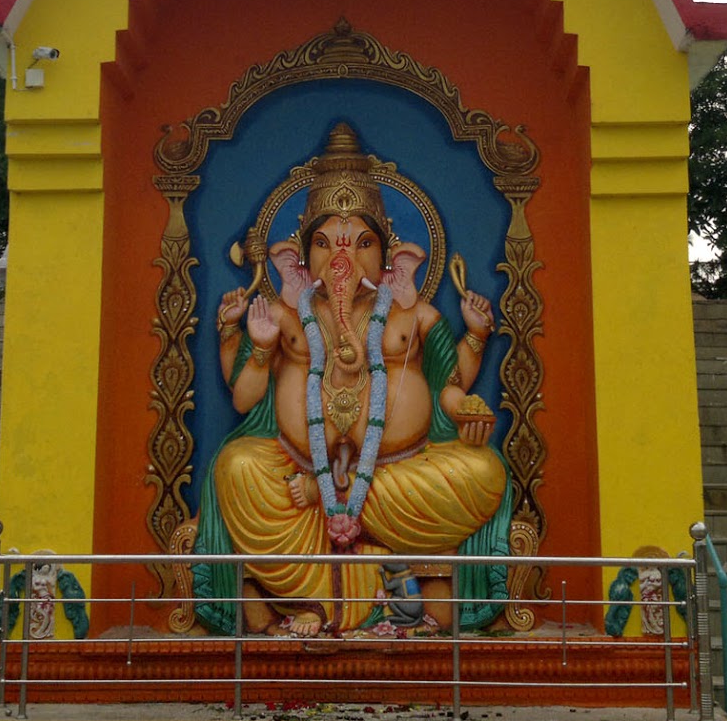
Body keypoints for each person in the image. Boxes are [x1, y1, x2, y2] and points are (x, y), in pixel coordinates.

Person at [194, 123, 510, 637]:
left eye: (362, 242)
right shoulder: (285, 313)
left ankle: (340, 533)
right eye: (324, 243)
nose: (343, 259)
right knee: (236, 467)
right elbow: (245, 397)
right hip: (295, 472)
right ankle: (343, 596)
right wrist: (261, 344)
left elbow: (449, 384)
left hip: (395, 475)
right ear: (296, 260)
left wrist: (467, 400)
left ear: (393, 258)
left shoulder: (416, 316)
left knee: (484, 472)